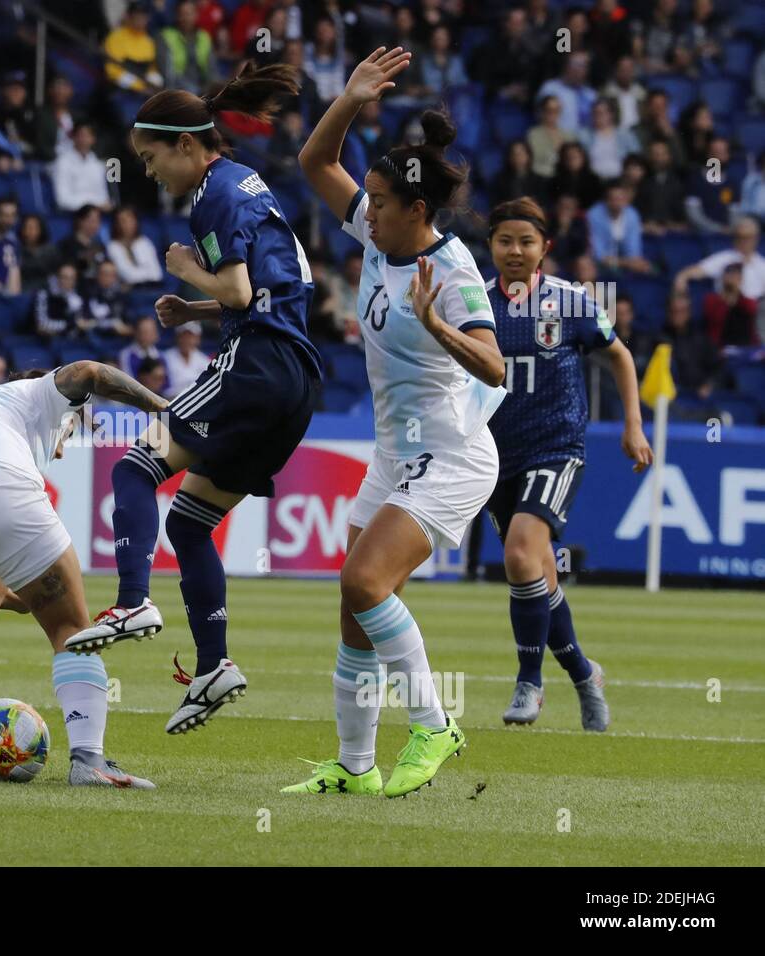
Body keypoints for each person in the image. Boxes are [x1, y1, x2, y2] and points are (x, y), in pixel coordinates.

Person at [63, 63, 321, 739]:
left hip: (257, 364)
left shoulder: (212, 195)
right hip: (297, 378)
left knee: (132, 468)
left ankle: (130, 603)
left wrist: (185, 273)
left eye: (150, 159)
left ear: (185, 145)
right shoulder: (249, 185)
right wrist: (196, 309)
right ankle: (212, 665)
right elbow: (269, 289)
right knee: (190, 522)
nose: (149, 173)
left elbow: (239, 295)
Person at [291, 48, 507, 798]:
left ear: (417, 211)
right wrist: (348, 98)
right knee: (354, 609)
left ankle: (434, 724)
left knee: (364, 578)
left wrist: (439, 327)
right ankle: (355, 769)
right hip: (396, 451)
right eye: (369, 199)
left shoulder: (451, 274)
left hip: (450, 456)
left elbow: (495, 366)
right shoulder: (380, 235)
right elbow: (317, 163)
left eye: (379, 202)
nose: (366, 209)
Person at [0, 362, 168, 787]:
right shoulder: (42, 393)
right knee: (72, 627)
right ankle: (88, 761)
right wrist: (160, 407)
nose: (60, 451)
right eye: (69, 433)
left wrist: (21, 598)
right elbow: (91, 372)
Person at [483, 197, 652, 731]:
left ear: (544, 249)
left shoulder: (572, 302)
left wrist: (634, 423)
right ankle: (584, 673)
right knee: (537, 570)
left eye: (526, 242)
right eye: (505, 240)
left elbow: (618, 353)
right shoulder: (474, 304)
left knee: (519, 553)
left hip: (556, 449)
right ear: (491, 245)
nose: (515, 251)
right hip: (494, 456)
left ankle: (529, 683)